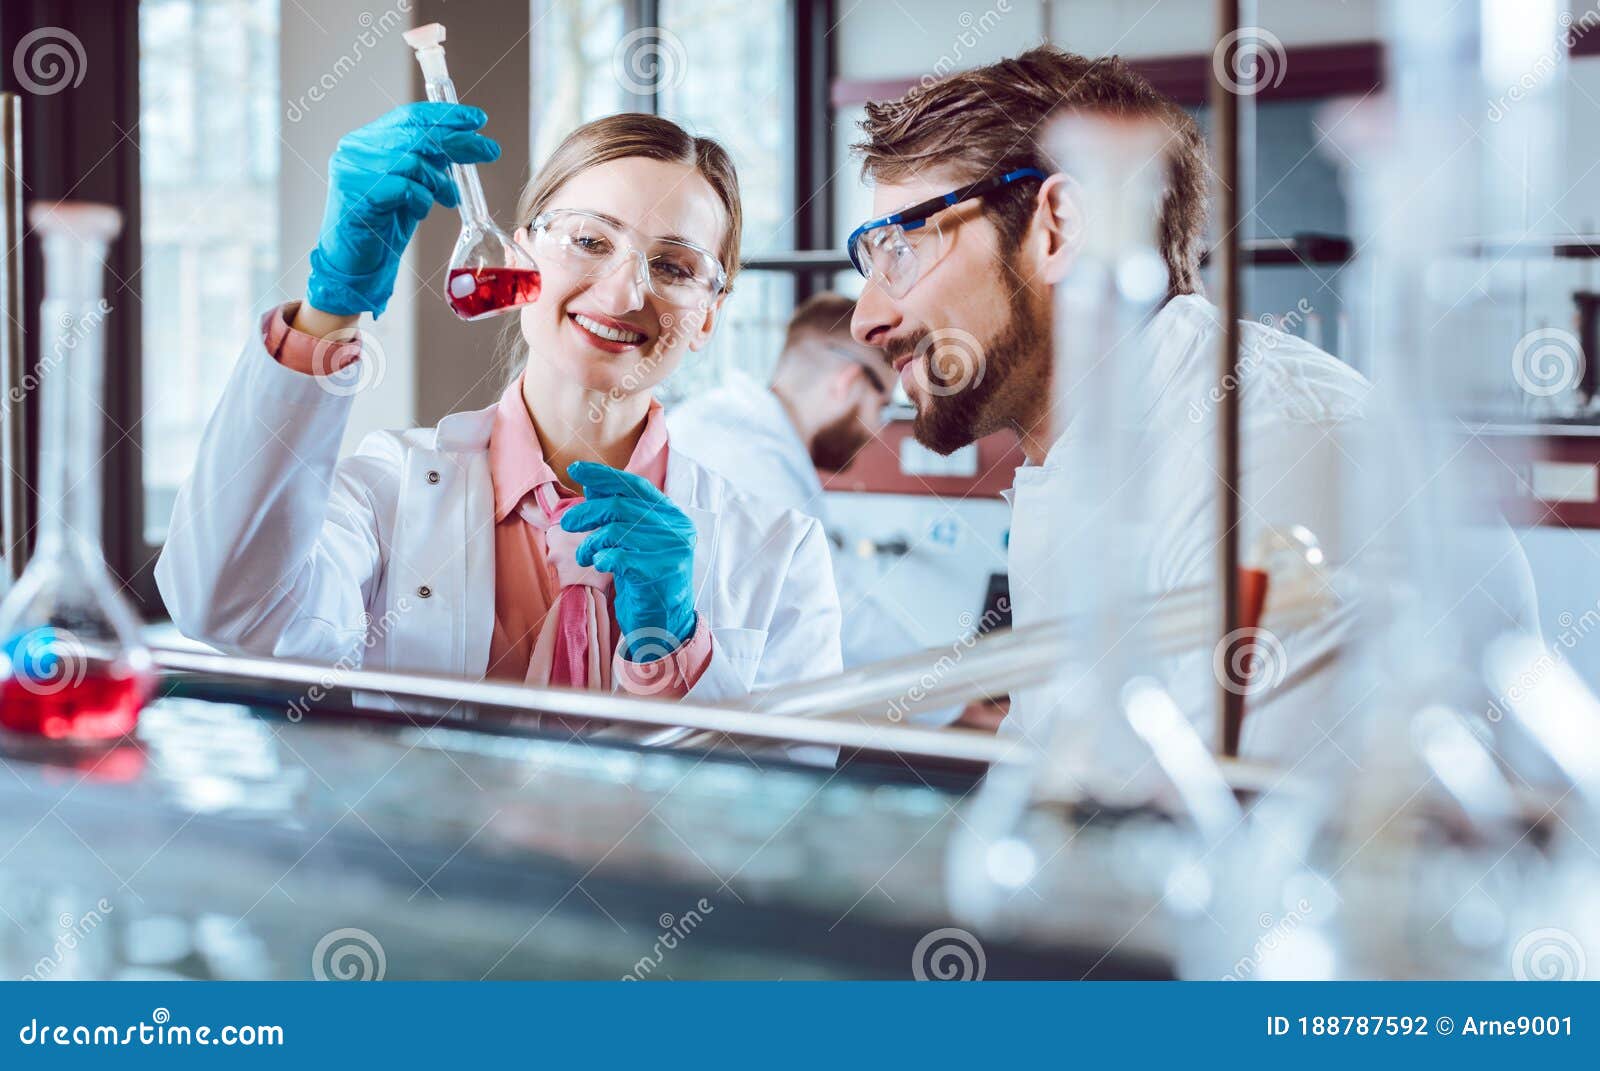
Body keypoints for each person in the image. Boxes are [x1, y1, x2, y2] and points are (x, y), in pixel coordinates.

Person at [845, 47, 1535, 766]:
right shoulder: (1081, 450)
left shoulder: (1264, 450)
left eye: (900, 249)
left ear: (1058, 228)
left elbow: (1245, 842)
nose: (866, 318)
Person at [156, 104, 842, 720]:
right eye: (590, 240)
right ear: (519, 257)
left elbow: (790, 807)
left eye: (674, 267)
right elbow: (227, 608)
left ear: (708, 316)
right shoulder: (386, 494)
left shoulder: (781, 551)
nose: (625, 292)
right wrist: (328, 307)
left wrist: (681, 651)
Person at [669, 294, 1001, 728]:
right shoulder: (749, 460)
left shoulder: (729, 428)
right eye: (881, 407)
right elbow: (836, 615)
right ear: (849, 382)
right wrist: (956, 706)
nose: (879, 429)